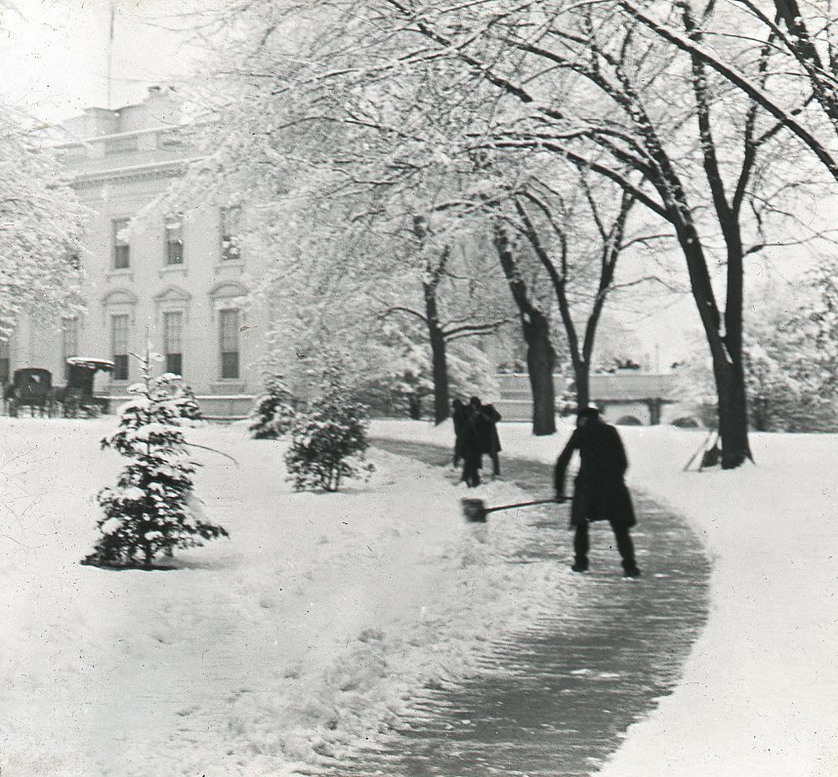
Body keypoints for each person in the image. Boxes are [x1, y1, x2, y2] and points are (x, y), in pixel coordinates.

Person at [554, 406, 641, 577]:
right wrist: (615, 477)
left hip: (587, 486)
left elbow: (562, 461)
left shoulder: (580, 432)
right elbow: (623, 461)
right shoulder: (611, 431)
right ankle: (630, 565)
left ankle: (580, 562)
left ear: (582, 419)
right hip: (613, 485)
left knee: (581, 524)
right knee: (620, 526)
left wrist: (559, 491)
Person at [470, 396, 503, 478]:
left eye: (474, 404)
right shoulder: (473, 412)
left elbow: (498, 417)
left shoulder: (487, 409)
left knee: (493, 454)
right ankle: (478, 470)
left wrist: (486, 418)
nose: (473, 406)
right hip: (480, 436)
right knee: (477, 453)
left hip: (490, 435)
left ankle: (496, 471)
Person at [459, 400, 483, 488]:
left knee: (470, 464)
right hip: (471, 446)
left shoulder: (472, 420)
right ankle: (472, 481)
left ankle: (467, 479)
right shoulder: (471, 420)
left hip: (472, 446)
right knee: (471, 464)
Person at [451, 398, 467, 468]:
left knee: (459, 448)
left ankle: (456, 462)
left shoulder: (459, 412)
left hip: (462, 433)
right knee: (461, 448)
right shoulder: (461, 411)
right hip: (462, 433)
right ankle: (457, 462)